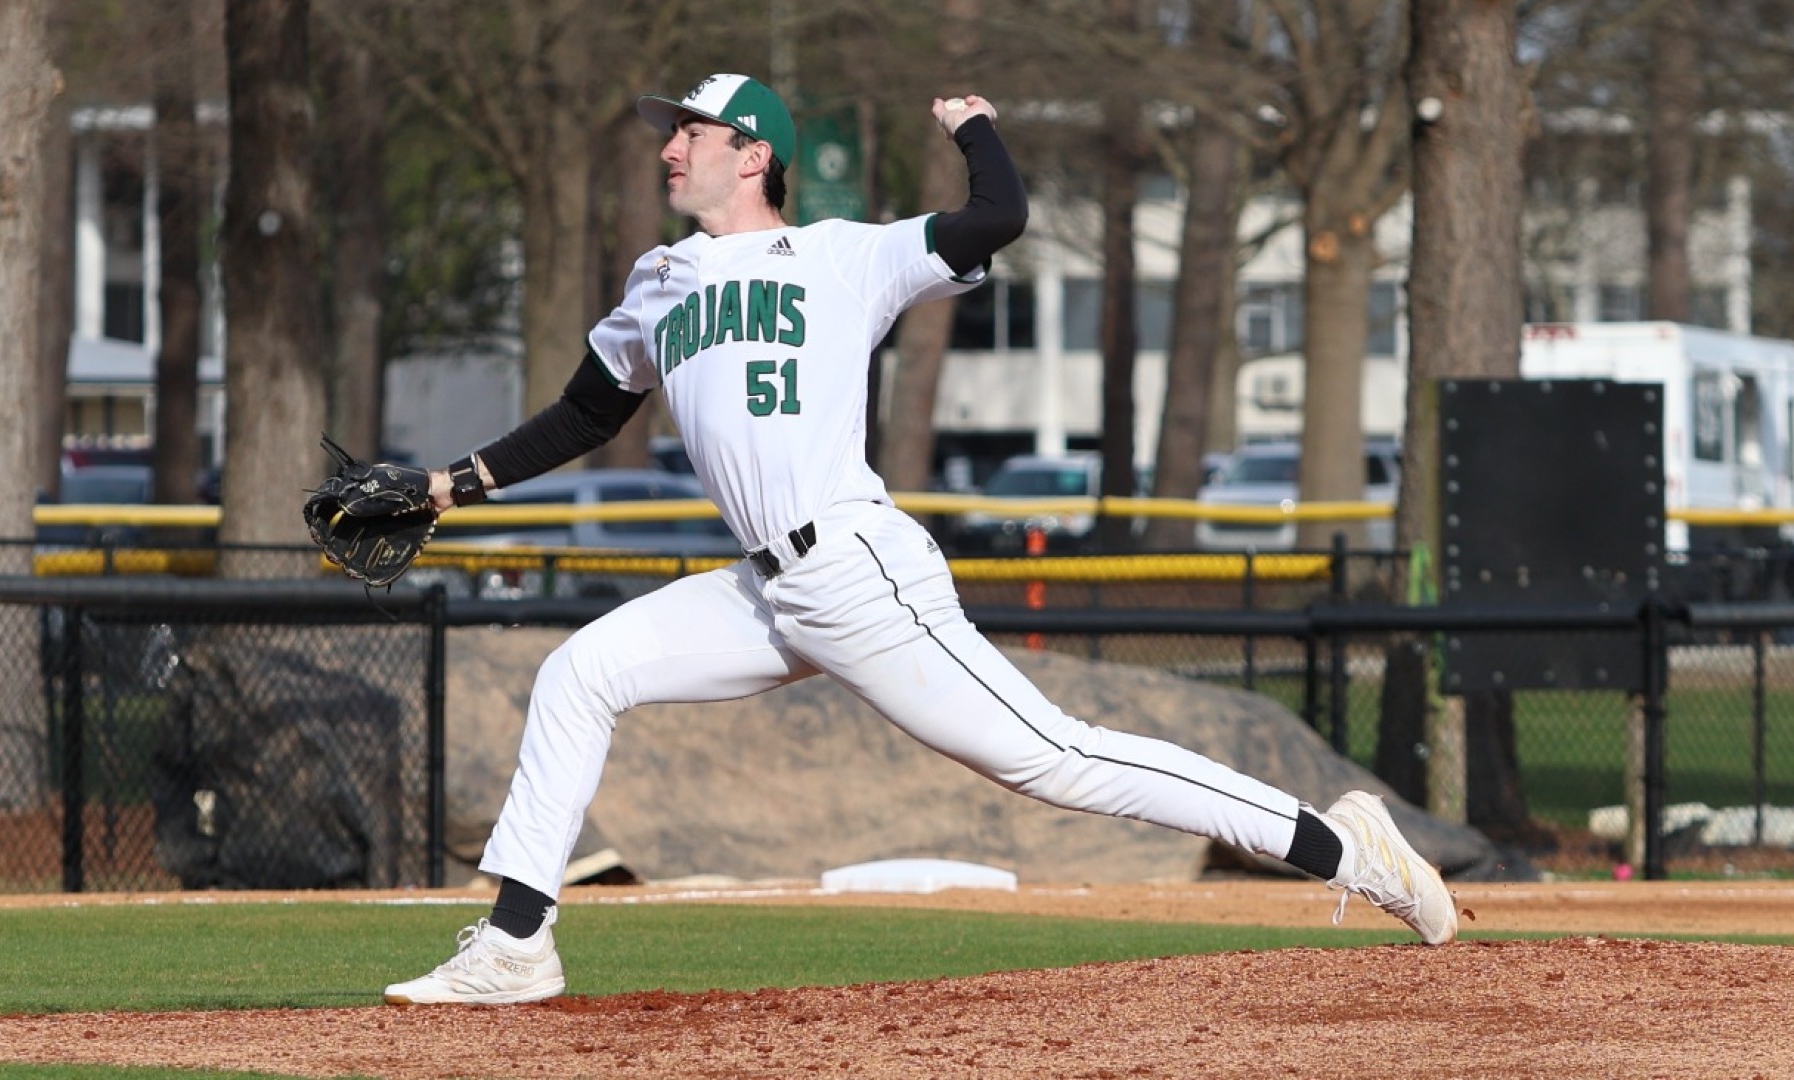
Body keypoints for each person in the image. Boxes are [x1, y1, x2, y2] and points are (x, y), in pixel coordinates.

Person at [382, 74, 1456, 1005]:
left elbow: (998, 217)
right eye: (674, 131)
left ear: (753, 155)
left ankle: (1338, 846)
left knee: (1057, 759)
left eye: (694, 133)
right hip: (763, 593)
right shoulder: (658, 282)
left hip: (857, 572)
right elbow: (586, 412)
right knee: (582, 672)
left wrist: (976, 126)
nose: (671, 147)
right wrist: (445, 486)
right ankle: (518, 944)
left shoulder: (847, 256)